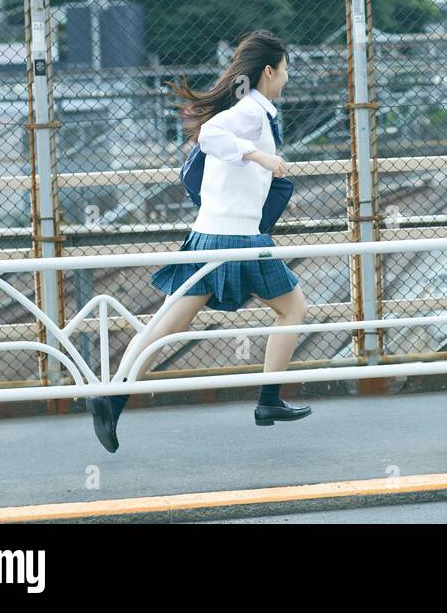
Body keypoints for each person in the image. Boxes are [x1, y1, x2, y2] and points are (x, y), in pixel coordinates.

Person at [90, 29, 311, 453]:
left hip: (218, 234)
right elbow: (208, 136)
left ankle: (112, 398)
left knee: (168, 324)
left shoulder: (253, 110)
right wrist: (259, 155)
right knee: (293, 309)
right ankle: (267, 402)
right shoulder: (250, 110)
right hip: (234, 238)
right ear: (268, 71)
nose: (286, 79)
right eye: (284, 71)